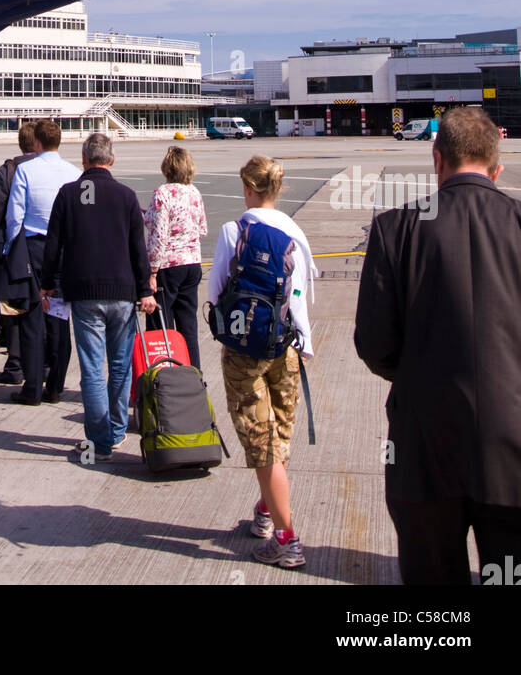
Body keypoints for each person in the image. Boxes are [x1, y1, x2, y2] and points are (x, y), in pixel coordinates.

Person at [355, 106, 521, 586]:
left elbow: (374, 344)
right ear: (497, 167)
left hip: (423, 445)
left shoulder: (394, 229)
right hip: (511, 447)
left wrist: (421, 370)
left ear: (437, 159)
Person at [207, 156, 317, 569]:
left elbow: (218, 288)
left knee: (261, 440)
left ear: (248, 188)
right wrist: (303, 343)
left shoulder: (234, 230)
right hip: (287, 348)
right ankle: (268, 510)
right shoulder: (294, 231)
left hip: (244, 352)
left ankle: (287, 541)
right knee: (279, 435)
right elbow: (302, 295)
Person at [42, 132, 156, 460]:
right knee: (120, 365)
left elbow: (53, 245)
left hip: (85, 291)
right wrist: (145, 289)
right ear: (112, 159)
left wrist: (47, 283)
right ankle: (117, 432)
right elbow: (139, 250)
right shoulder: (126, 196)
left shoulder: (67, 194)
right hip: (122, 292)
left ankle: (99, 441)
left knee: (92, 368)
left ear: (83, 160)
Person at [4, 119, 78, 405]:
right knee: (60, 318)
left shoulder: (25, 170)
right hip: (62, 251)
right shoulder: (73, 173)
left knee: (32, 320)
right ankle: (55, 386)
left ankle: (32, 387)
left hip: (34, 247)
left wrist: (11, 249)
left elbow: (15, 215)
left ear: (36, 142)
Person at [0, 122, 38, 385]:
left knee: (10, 305)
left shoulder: (7, 171)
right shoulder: (44, 169)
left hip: (12, 246)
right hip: (39, 246)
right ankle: (41, 363)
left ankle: (15, 364)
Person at [143, 145, 207, 367]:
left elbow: (159, 236)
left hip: (169, 265)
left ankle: (165, 374)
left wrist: (152, 271)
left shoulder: (162, 193)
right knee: (188, 324)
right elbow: (202, 228)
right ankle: (194, 374)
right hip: (192, 262)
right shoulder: (194, 192)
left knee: (161, 323)